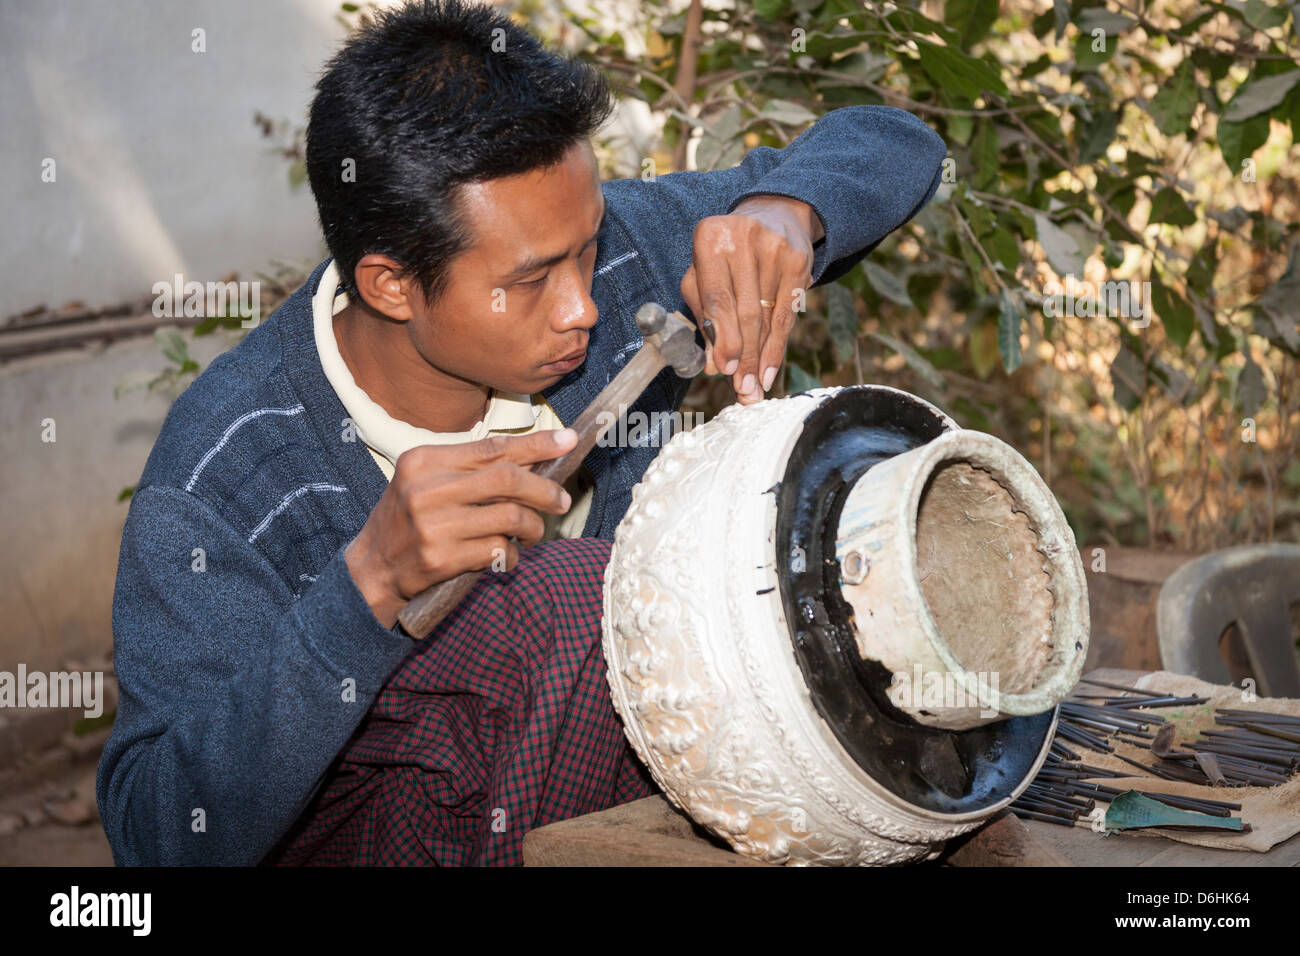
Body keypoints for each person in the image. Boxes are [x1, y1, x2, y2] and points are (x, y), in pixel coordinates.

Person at [97, 0, 947, 865]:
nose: (585, 304)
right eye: (533, 280)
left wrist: (785, 212)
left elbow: (893, 141)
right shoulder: (224, 474)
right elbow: (158, 832)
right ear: (391, 285)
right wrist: (365, 591)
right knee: (573, 601)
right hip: (390, 835)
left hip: (631, 781)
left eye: (586, 247)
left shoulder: (607, 251)